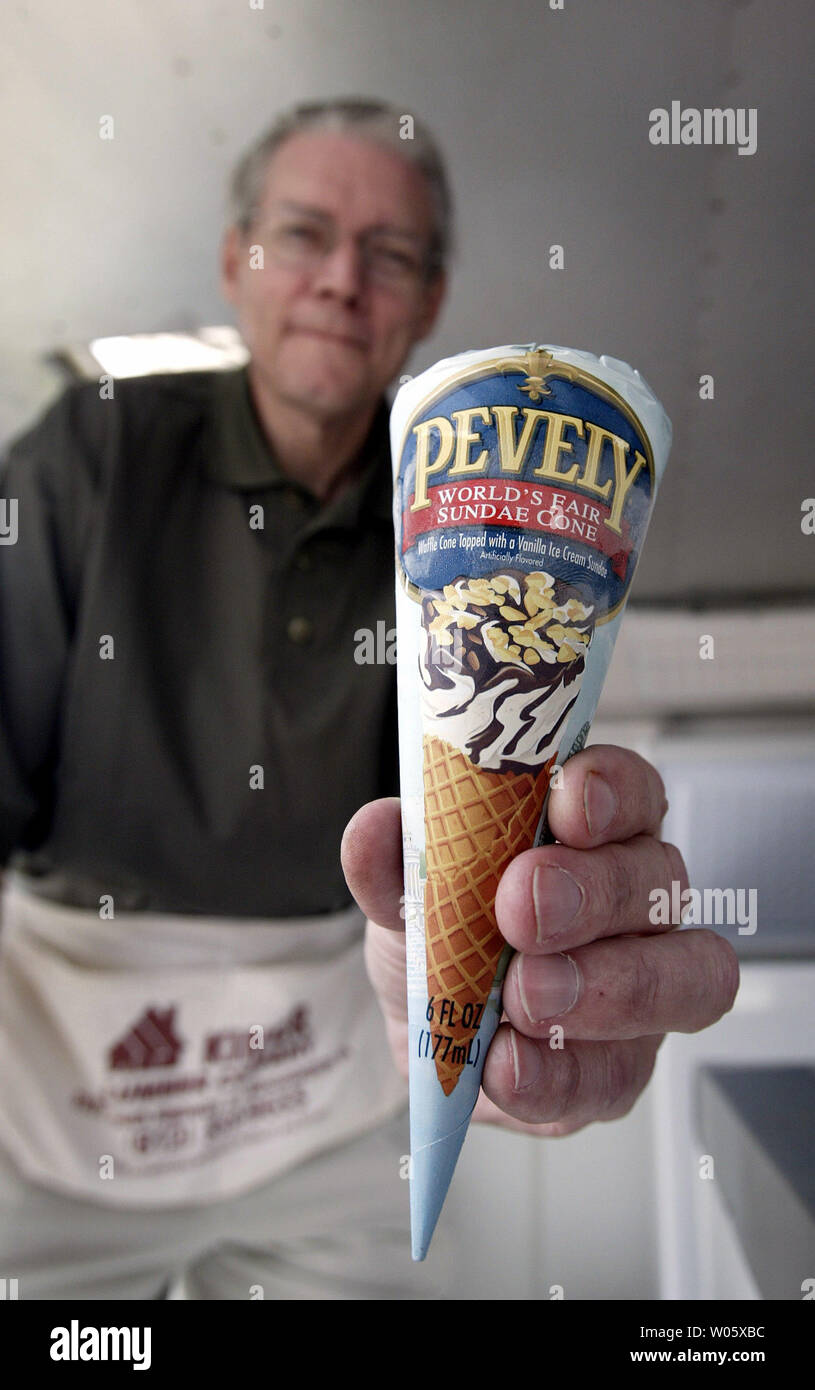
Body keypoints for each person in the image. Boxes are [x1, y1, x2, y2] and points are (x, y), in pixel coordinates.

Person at [0, 97, 738, 1301]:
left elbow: (482, 843)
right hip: (46, 1083)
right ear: (235, 260)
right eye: (300, 235)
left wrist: (545, 967)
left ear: (429, 302)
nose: (342, 280)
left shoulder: (483, 523)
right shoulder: (89, 455)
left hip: (337, 1079)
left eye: (388, 254)